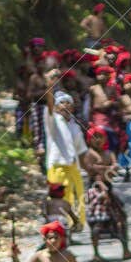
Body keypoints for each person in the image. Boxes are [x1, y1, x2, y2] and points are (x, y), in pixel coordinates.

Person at [42, 81, 88, 230]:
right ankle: (58, 228)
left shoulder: (75, 125)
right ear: (55, 107)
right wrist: (49, 87)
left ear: (73, 107)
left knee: (76, 197)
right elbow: (48, 106)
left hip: (73, 167)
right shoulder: (53, 121)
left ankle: (76, 225)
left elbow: (81, 150)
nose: (65, 105)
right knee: (58, 200)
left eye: (68, 103)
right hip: (57, 166)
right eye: (61, 103)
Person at [83, 127, 131, 261]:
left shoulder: (108, 153)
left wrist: (106, 169)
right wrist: (107, 169)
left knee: (121, 217)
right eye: (95, 137)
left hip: (109, 188)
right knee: (97, 221)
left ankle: (126, 250)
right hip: (96, 190)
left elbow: (115, 168)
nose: (98, 140)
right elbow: (92, 170)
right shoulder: (89, 154)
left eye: (100, 137)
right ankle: (96, 253)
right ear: (90, 139)